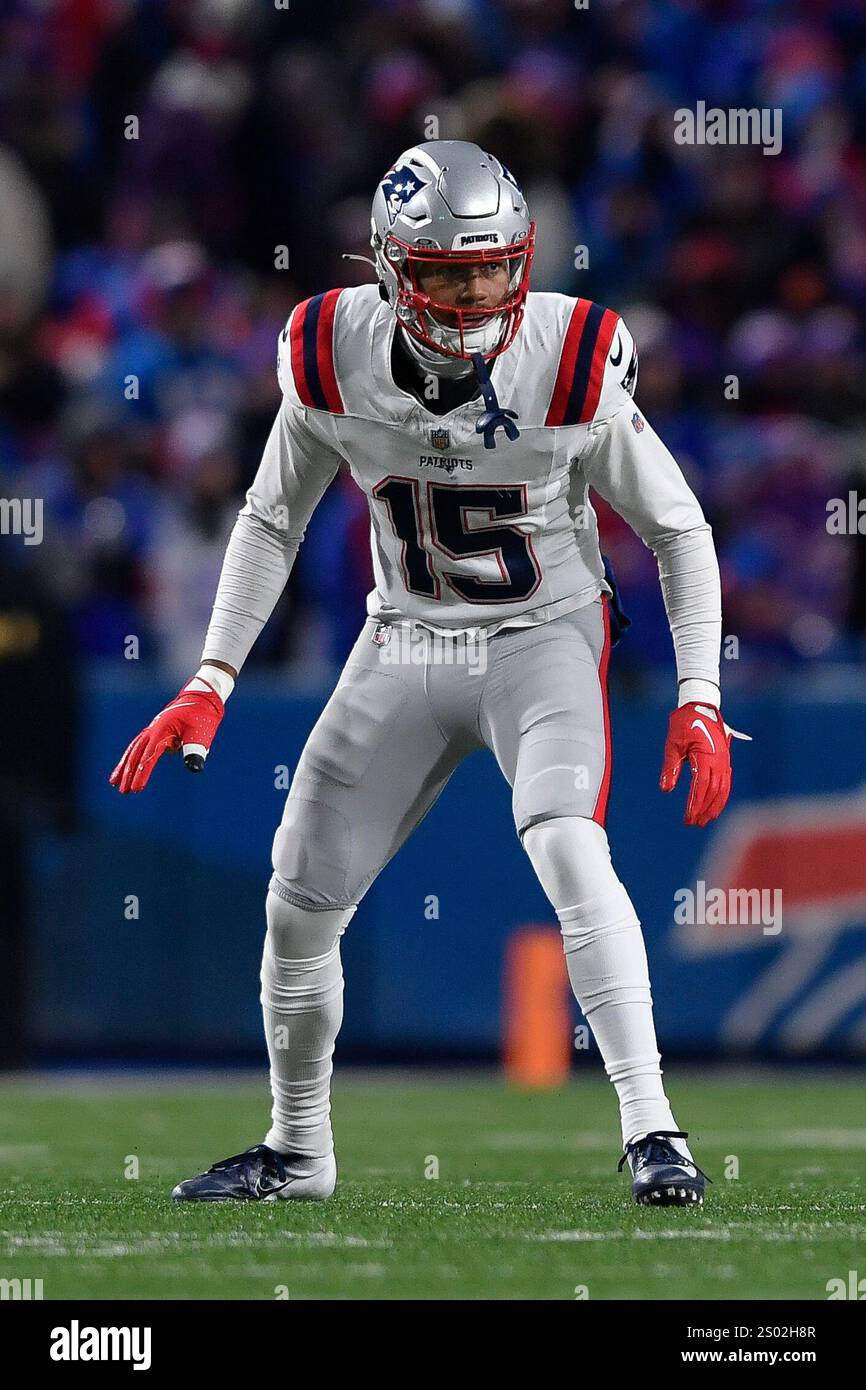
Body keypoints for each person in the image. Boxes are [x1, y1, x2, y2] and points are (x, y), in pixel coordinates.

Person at [110, 141, 745, 1206]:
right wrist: (211, 676)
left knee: (562, 840)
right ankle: (298, 1149)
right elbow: (272, 515)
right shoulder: (327, 350)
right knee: (298, 894)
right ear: (391, 269)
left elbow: (676, 529)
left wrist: (698, 696)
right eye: (448, 272)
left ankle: (653, 1129)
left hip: (540, 635)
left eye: (492, 267)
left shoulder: (572, 350)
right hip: (402, 634)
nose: (474, 293)